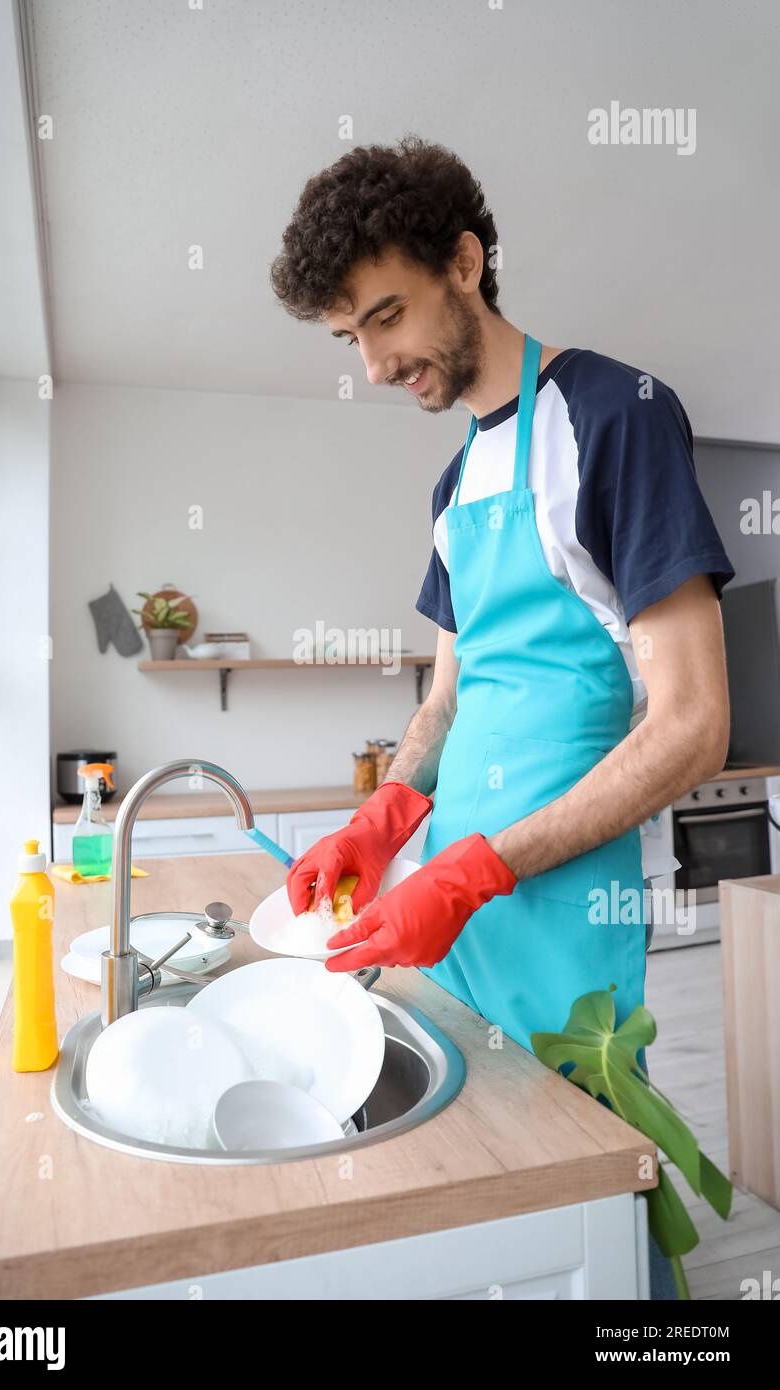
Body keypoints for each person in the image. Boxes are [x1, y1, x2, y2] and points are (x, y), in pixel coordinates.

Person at [270, 136, 734, 1300]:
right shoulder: (451, 484)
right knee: (485, 1225)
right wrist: (384, 817)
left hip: (562, 919)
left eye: (386, 317)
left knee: (588, 1223)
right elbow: (446, 693)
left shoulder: (612, 415)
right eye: (349, 339)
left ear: (465, 262)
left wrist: (478, 868)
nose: (373, 364)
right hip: (451, 921)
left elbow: (690, 725)